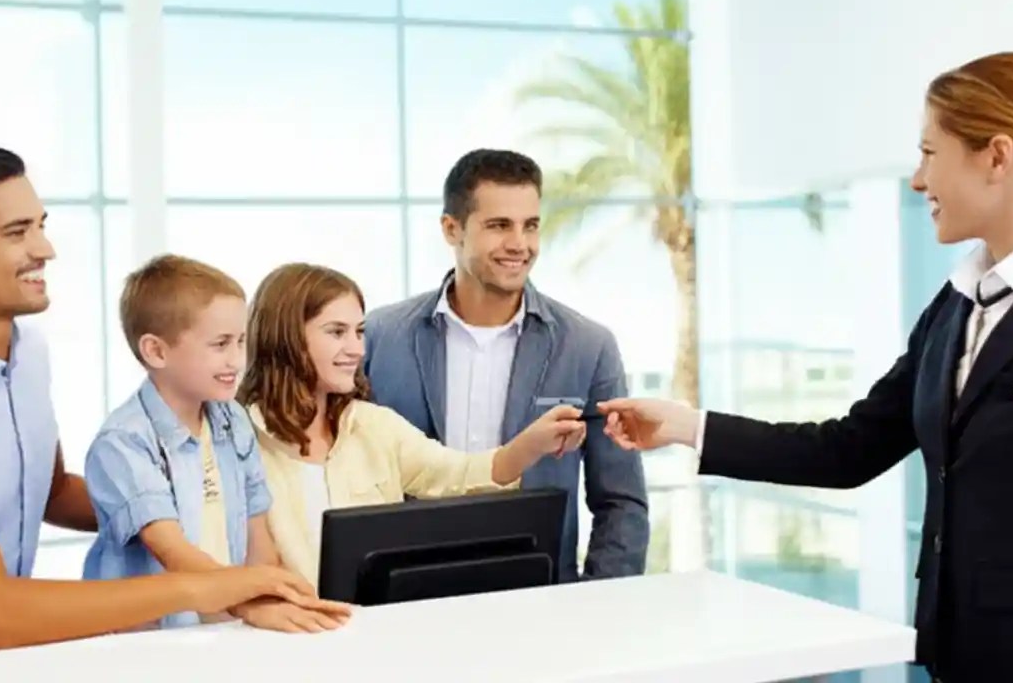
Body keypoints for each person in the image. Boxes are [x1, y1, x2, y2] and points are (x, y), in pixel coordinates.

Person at [596, 51, 1013, 682]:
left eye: (930, 153)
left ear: (997, 157)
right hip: (958, 661)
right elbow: (848, 449)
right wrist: (685, 425)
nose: (918, 180)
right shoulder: (955, 309)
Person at [0, 143, 334, 659]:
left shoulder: (27, 354)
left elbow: (52, 491)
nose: (46, 248)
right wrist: (214, 585)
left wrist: (182, 515)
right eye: (17, 233)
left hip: (15, 660)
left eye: (41, 224)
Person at [363, 149, 649, 582]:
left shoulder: (588, 347)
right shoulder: (380, 337)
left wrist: (597, 604)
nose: (520, 244)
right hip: (405, 595)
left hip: (539, 598)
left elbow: (621, 501)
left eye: (530, 226)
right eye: (499, 226)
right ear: (451, 229)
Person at [237, 262, 588, 589]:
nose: (356, 349)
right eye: (337, 332)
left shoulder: (375, 426)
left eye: (359, 332)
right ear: (286, 337)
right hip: (279, 641)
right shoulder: (236, 439)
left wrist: (533, 443)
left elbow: (460, 475)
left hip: (372, 634)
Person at [81, 255, 351, 633]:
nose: (236, 360)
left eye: (241, 342)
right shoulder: (123, 444)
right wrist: (249, 603)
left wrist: (283, 598)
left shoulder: (233, 421)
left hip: (221, 630)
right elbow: (174, 554)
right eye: (220, 344)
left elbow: (259, 540)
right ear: (156, 351)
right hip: (147, 644)